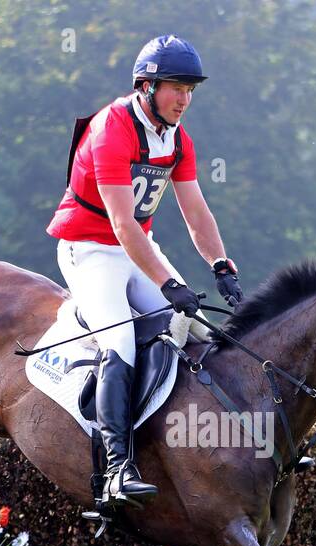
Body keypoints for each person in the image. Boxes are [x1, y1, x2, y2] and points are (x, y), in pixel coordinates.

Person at [46, 35, 242, 510]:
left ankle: (241, 443)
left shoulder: (178, 139)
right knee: (122, 342)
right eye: (176, 88)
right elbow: (120, 222)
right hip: (89, 250)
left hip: (136, 249)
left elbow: (196, 211)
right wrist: (169, 282)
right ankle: (115, 469)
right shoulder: (111, 129)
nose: (185, 100)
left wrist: (220, 265)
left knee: (198, 328)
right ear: (146, 86)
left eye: (190, 90)